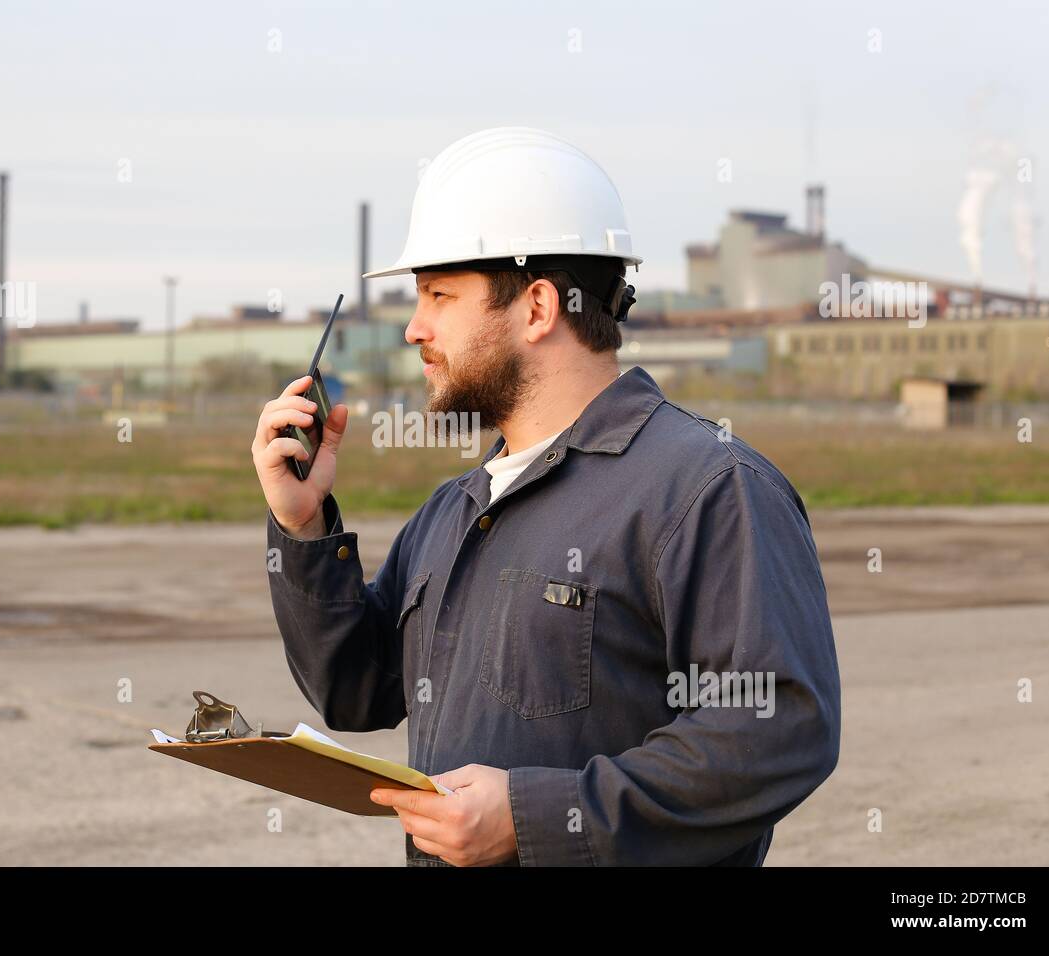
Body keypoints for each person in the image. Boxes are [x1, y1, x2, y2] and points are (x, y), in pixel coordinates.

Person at [251, 127, 841, 866]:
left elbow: (777, 729)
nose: (414, 328)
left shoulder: (707, 491)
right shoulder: (456, 509)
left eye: (439, 295)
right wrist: (302, 526)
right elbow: (358, 691)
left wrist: (538, 818)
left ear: (536, 308)